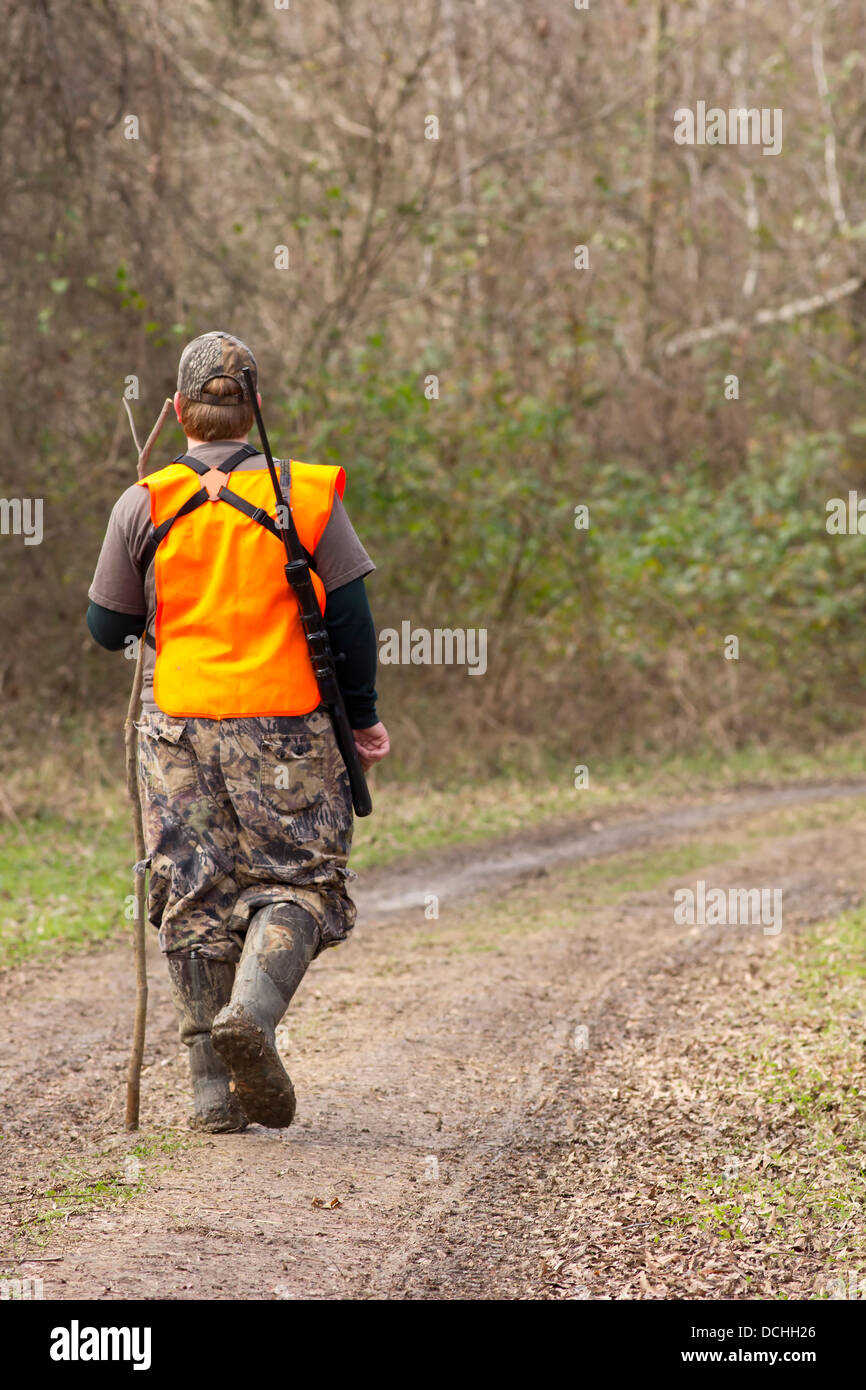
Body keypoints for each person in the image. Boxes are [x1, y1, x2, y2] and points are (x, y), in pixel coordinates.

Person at [87, 330, 389, 1132]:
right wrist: (362, 717)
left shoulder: (142, 502)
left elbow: (103, 624)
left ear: (179, 411)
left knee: (193, 893)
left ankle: (210, 1095)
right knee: (300, 883)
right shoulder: (307, 497)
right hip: (287, 728)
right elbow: (353, 621)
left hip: (176, 731)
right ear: (255, 410)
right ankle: (251, 1016)